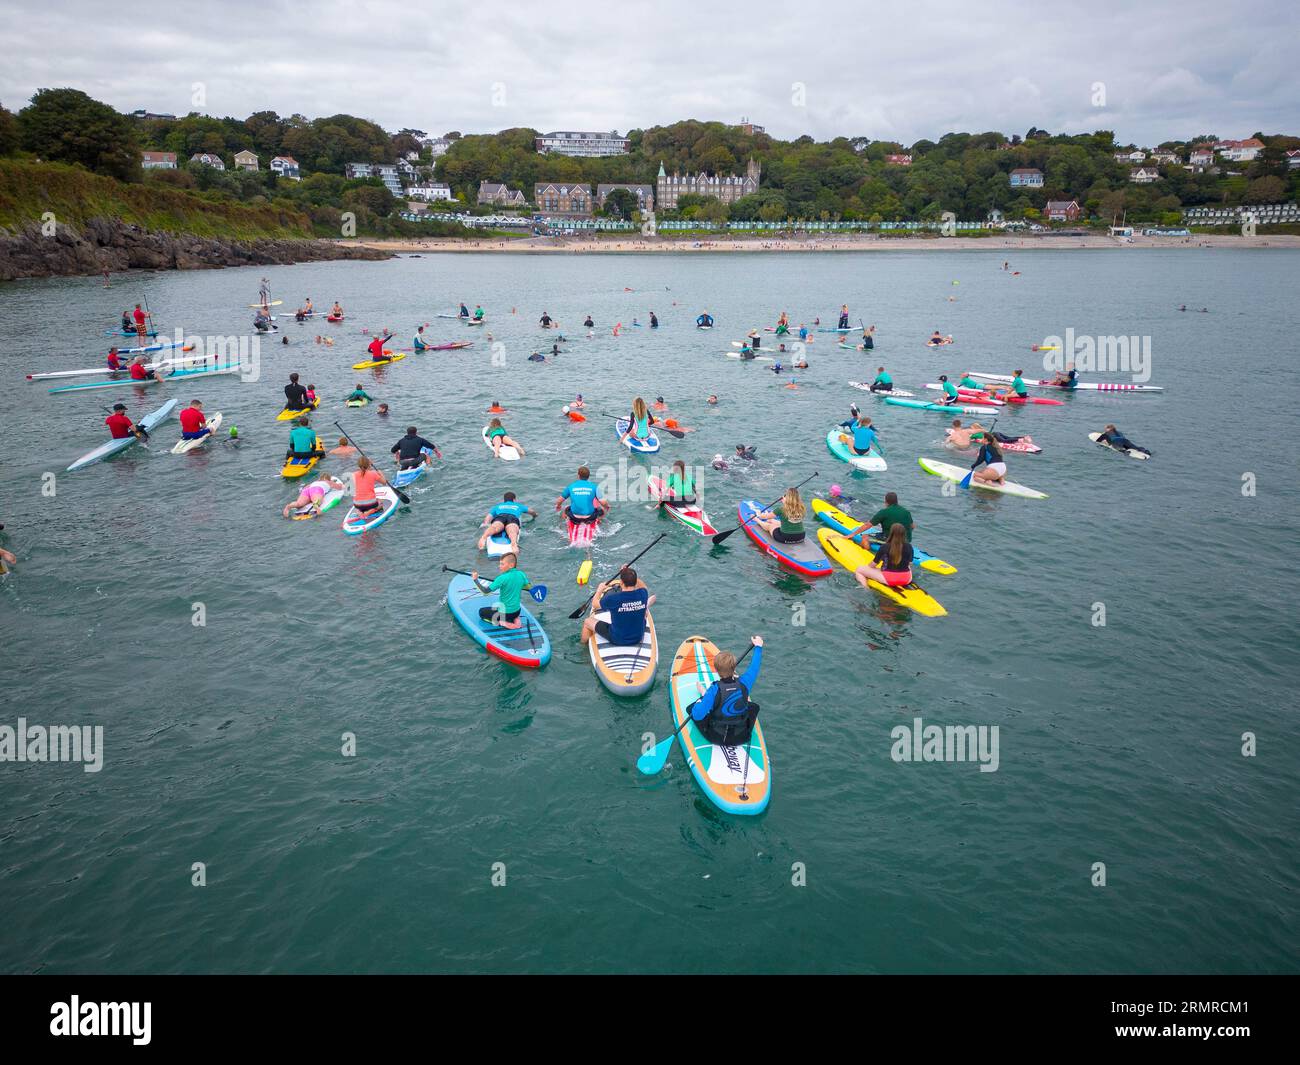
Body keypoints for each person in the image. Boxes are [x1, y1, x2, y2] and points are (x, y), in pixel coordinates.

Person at [690, 636, 764, 746]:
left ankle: (704, 696)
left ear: (716, 670)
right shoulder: (745, 683)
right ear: (734, 669)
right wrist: (758, 646)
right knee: (751, 706)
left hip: (716, 737)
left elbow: (697, 715)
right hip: (742, 736)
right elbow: (754, 667)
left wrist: (699, 702)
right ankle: (707, 697)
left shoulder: (714, 689)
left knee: (693, 708)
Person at [581, 567, 654, 648]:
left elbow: (595, 604)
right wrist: (628, 571)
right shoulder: (643, 594)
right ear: (635, 581)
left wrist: (600, 589)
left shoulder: (613, 598)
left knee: (587, 622)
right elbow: (643, 586)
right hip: (638, 637)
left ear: (621, 583)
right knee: (645, 613)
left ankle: (583, 647)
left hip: (618, 639)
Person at [470, 554, 531, 630]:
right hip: (517, 611)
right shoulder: (521, 574)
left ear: (511, 565)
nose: (499, 566)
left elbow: (485, 592)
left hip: (505, 614)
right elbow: (528, 587)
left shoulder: (501, 578)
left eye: (502, 564)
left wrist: (475, 579)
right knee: (499, 607)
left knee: (481, 612)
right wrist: (515, 585)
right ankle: (516, 619)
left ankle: (503, 623)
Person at [854, 524, 913, 590]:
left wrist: (868, 568)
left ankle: (865, 588)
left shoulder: (885, 547)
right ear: (904, 534)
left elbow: (873, 565)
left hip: (889, 579)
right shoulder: (909, 546)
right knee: (907, 566)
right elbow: (910, 563)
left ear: (891, 533)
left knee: (859, 570)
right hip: (907, 579)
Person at [556, 465, 608, 529]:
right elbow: (603, 502)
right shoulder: (594, 487)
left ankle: (566, 524)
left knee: (566, 508)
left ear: (578, 476)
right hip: (590, 518)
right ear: (588, 477)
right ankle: (598, 521)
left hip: (574, 518)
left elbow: (559, 501)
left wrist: (558, 506)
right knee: (602, 509)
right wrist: (607, 507)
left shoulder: (571, 486)